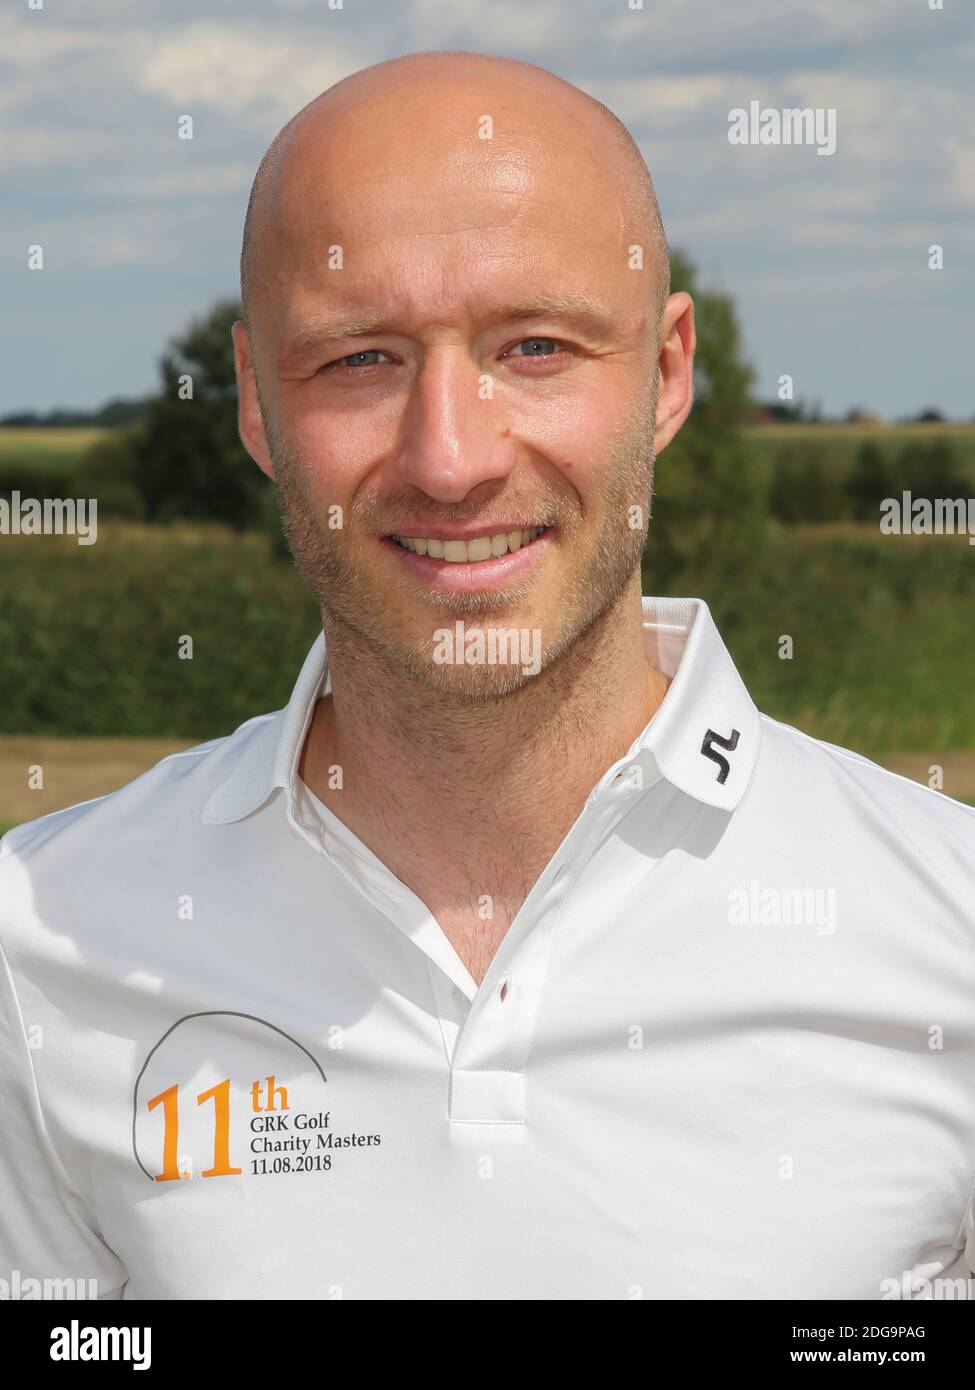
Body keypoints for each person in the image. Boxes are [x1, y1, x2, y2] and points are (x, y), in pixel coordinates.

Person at [1, 50, 972, 1302]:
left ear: (667, 375)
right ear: (252, 402)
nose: (449, 458)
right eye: (359, 360)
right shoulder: (36, 949)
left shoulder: (943, 931)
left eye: (534, 346)